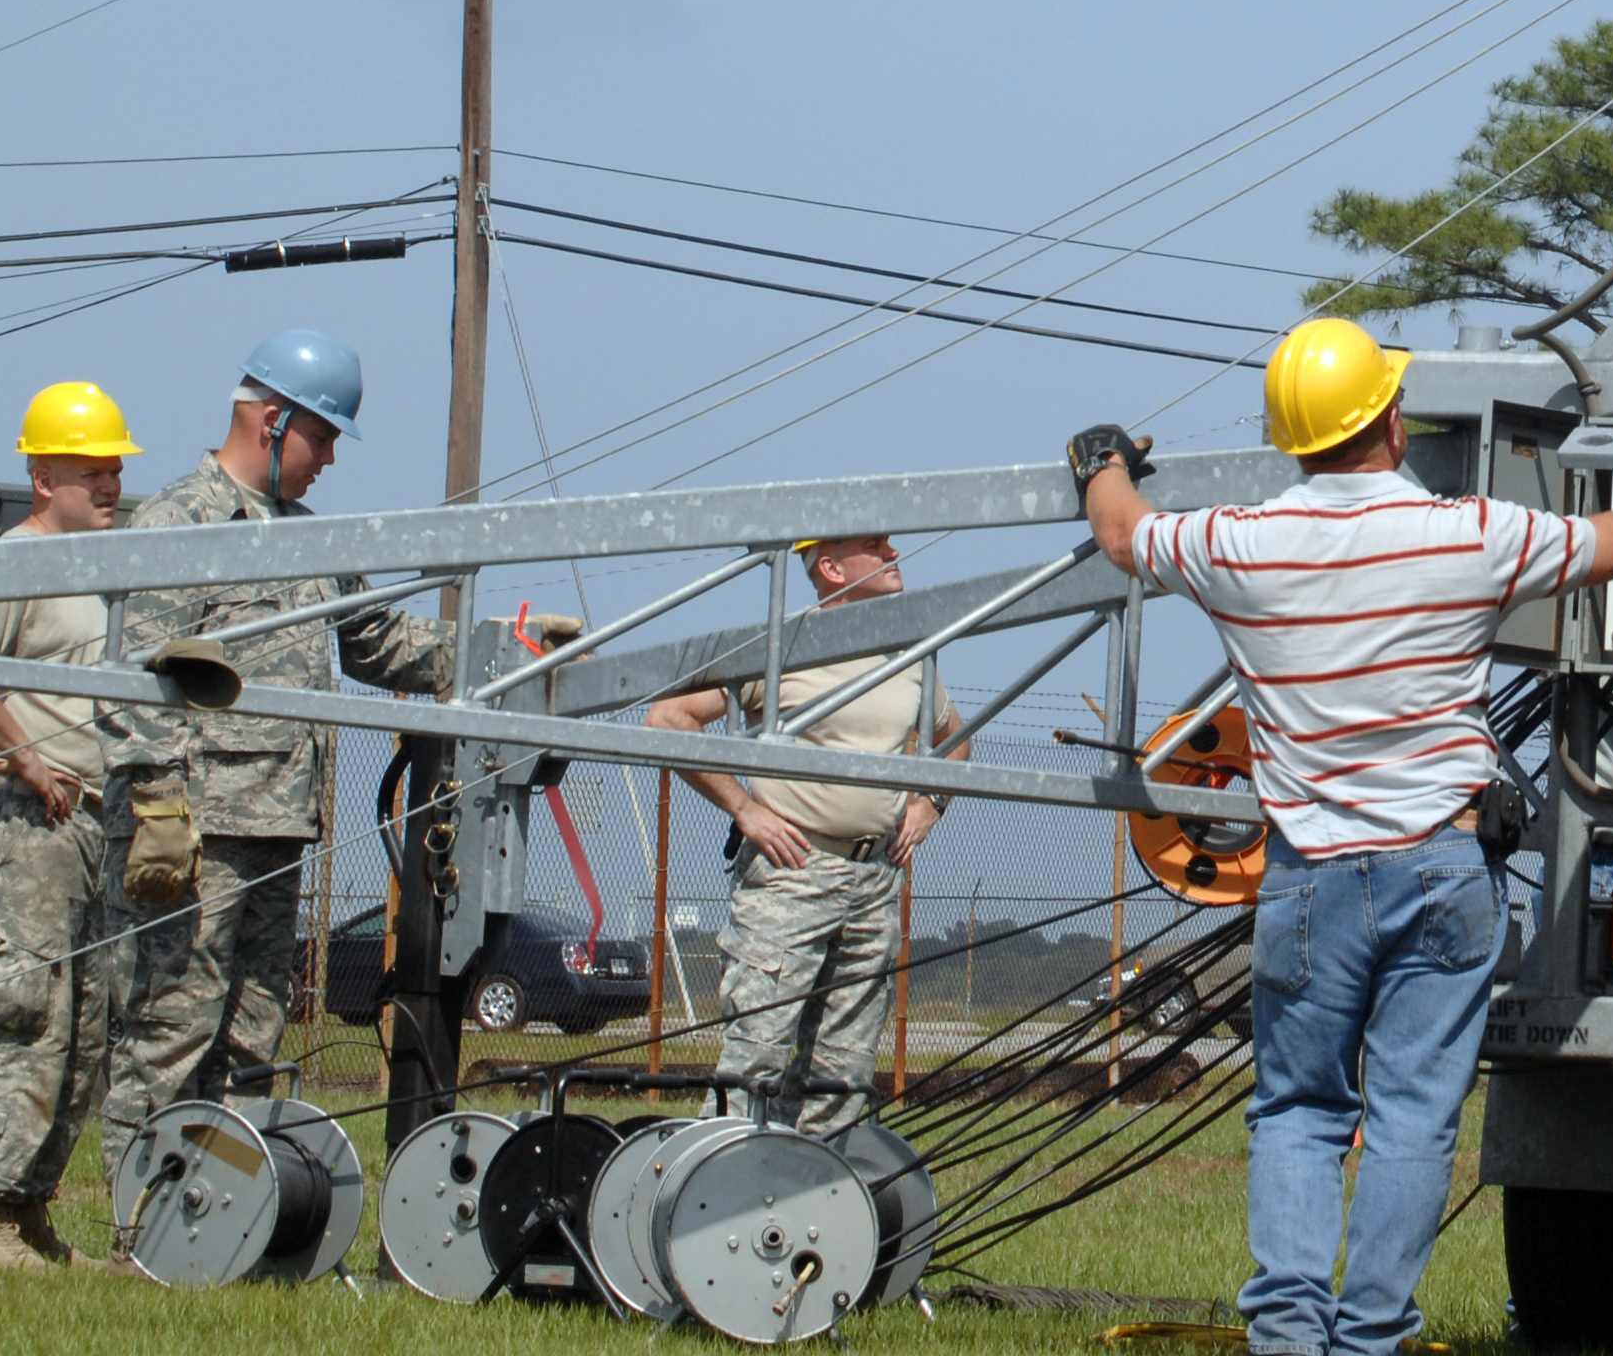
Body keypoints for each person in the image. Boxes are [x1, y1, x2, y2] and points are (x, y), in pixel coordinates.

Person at [1077, 317, 1613, 1356]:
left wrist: (1103, 460)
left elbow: (1124, 532)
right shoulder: (1473, 534)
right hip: (1443, 868)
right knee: (1412, 1116)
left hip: (1309, 879)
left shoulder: (1235, 544)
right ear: (1391, 422)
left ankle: (1290, 1336)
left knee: (1300, 1109)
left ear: (1292, 440)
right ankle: (1371, 1335)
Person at [98, 331, 576, 1235]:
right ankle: (140, 1227)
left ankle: (222, 1224)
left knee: (251, 1031)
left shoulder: (312, 541)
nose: (325, 461)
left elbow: (381, 645)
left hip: (279, 827)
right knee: (172, 1028)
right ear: (272, 420)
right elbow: (133, 679)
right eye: (321, 438)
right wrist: (158, 805)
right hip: (196, 832)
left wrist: (502, 652)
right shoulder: (178, 526)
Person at [643, 532, 971, 1132]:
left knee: (842, 1077)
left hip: (874, 881)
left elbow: (955, 739)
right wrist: (745, 809)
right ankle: (713, 1194)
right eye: (876, 545)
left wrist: (931, 803)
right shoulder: (781, 644)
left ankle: (813, 1204)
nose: (895, 555)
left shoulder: (910, 651)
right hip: (792, 876)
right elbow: (668, 718)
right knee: (757, 1059)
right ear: (831, 566)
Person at [0, 382, 137, 1272]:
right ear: (42, 474)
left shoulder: (99, 571)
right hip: (21, 826)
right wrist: (23, 753)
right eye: (91, 471)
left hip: (84, 827)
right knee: (20, 1015)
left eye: (116, 469)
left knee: (83, 1028)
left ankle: (31, 1212)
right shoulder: (18, 558)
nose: (109, 483)